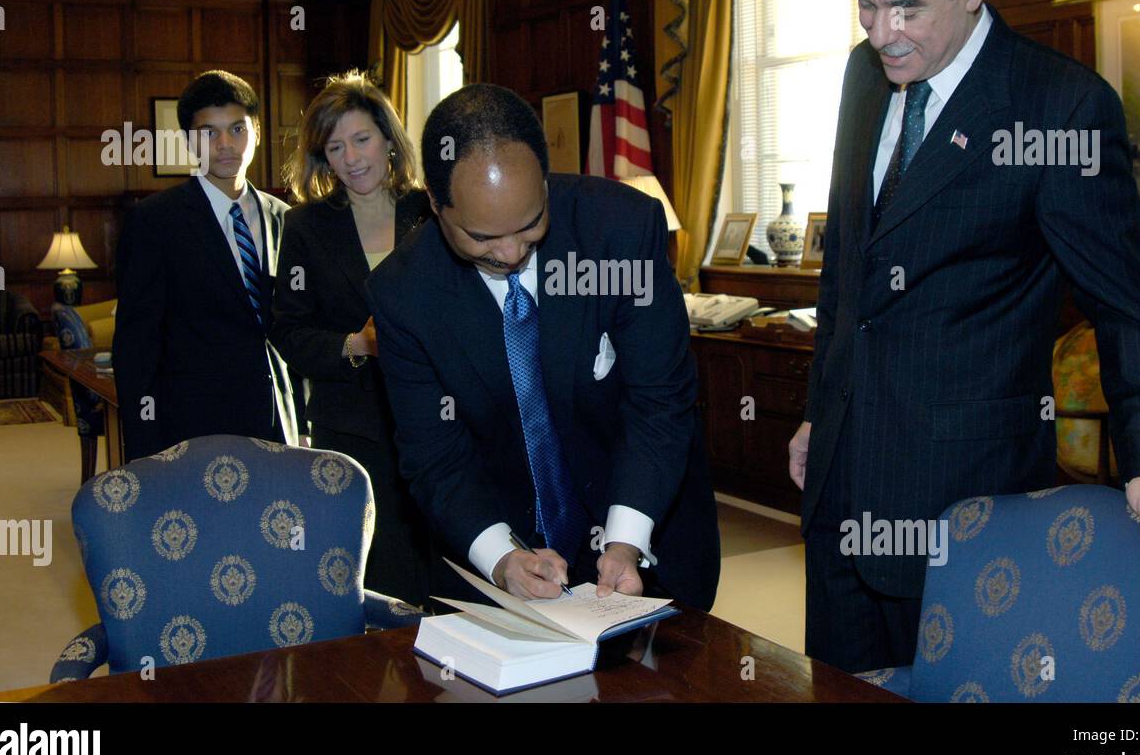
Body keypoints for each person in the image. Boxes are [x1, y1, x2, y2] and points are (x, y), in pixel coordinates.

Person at [787, 0, 1140, 674]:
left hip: (967, 508)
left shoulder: (1058, 109)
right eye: (865, 4)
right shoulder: (860, 76)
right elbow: (849, 269)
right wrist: (823, 408)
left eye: (907, 7)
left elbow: (1128, 310)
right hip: (841, 490)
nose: (883, 33)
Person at [365, 83, 719, 610]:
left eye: (530, 226)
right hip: (501, 547)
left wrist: (624, 541)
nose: (510, 253)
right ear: (436, 205)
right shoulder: (404, 293)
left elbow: (659, 400)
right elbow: (435, 455)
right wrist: (502, 556)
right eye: (482, 238)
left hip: (646, 529)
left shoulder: (618, 233)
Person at [271, 70, 432, 607]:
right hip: (353, 428)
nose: (352, 158)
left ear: (388, 138)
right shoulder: (306, 226)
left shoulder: (431, 213)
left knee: (442, 561)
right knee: (375, 573)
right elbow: (289, 332)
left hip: (440, 418)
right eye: (335, 147)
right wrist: (355, 346)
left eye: (361, 139)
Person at [114, 70, 299, 461]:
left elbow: (294, 326)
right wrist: (144, 447)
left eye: (236, 129)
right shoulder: (155, 221)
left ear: (258, 132)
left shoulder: (286, 218)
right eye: (209, 133)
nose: (226, 145)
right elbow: (136, 345)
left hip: (279, 421)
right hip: (192, 427)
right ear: (187, 140)